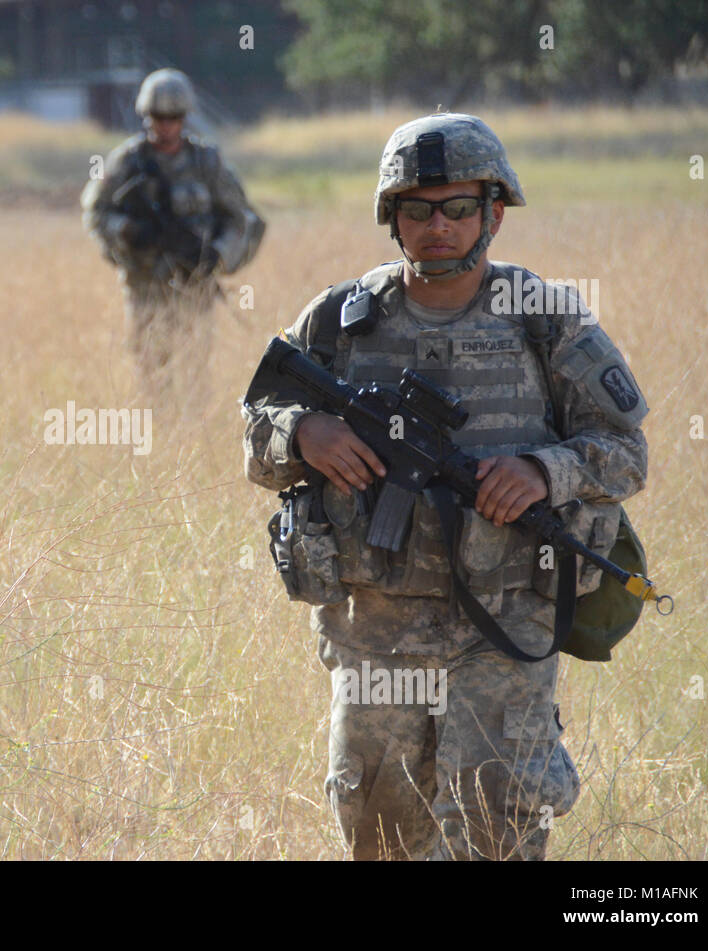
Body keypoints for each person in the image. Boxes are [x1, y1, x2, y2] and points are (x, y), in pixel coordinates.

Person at [241, 113, 649, 860]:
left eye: (458, 208)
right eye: (417, 209)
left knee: (498, 825)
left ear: (493, 212)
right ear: (391, 217)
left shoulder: (543, 318)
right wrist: (302, 434)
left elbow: (625, 451)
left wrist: (541, 471)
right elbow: (256, 428)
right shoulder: (340, 320)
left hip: (506, 626)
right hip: (376, 629)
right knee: (379, 828)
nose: (438, 227)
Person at [81, 68, 263, 390]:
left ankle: (191, 437)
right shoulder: (126, 161)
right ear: (145, 116)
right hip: (145, 289)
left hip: (195, 288)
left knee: (194, 375)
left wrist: (216, 256)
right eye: (158, 116)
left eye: (173, 117)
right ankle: (161, 435)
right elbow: (95, 212)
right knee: (152, 376)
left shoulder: (207, 162)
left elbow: (242, 218)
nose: (165, 125)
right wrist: (128, 231)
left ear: (184, 117)